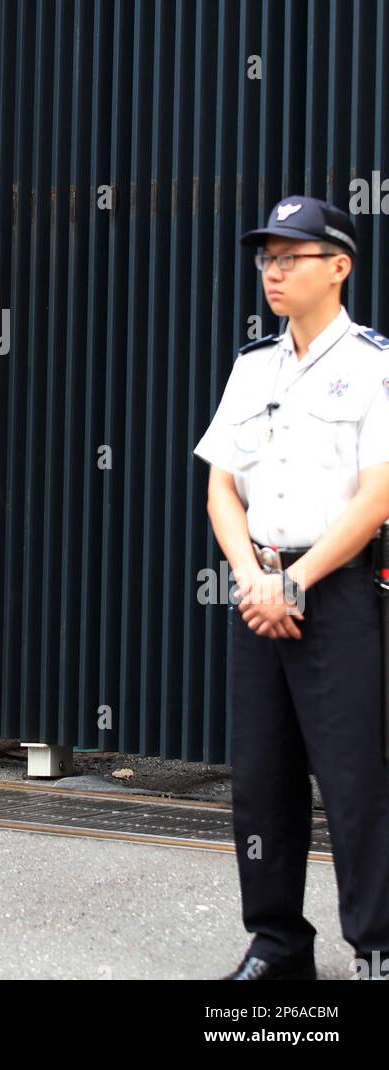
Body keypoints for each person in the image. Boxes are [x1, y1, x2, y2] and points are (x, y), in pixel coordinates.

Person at [193, 196, 389, 981]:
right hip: (259, 592)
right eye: (266, 258)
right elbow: (220, 491)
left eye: (291, 257)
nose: (273, 271)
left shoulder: (373, 365)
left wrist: (297, 584)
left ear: (338, 267)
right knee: (263, 781)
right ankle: (276, 943)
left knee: (354, 777)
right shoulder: (253, 368)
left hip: (338, 592)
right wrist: (253, 579)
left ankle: (376, 944)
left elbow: (376, 498)